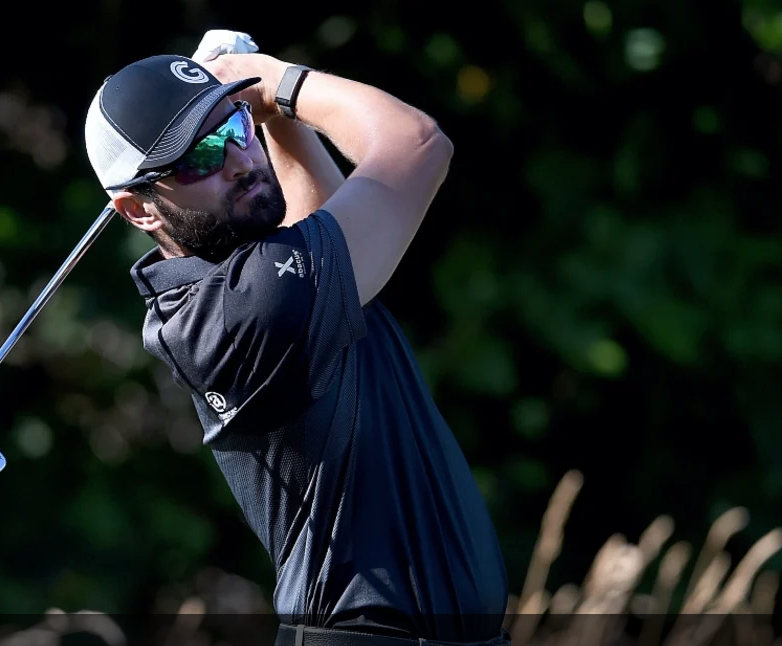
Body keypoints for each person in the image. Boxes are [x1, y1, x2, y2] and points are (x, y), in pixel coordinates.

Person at [83, 44, 510, 646]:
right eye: (199, 155)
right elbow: (418, 144)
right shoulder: (245, 311)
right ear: (137, 209)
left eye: (235, 126)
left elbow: (324, 225)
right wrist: (280, 81)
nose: (236, 159)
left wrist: (272, 112)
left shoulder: (258, 278)